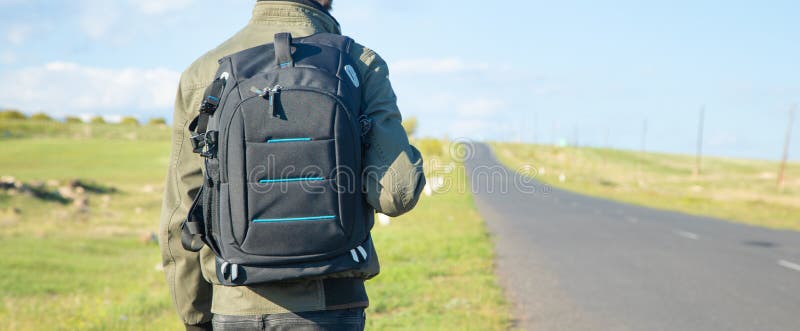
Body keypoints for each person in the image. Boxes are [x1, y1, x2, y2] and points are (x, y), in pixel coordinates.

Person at [158, 1, 426, 330]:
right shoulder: (359, 64)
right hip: (332, 305)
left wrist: (195, 317)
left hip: (234, 303)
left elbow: (180, 215)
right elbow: (396, 194)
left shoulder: (203, 74)